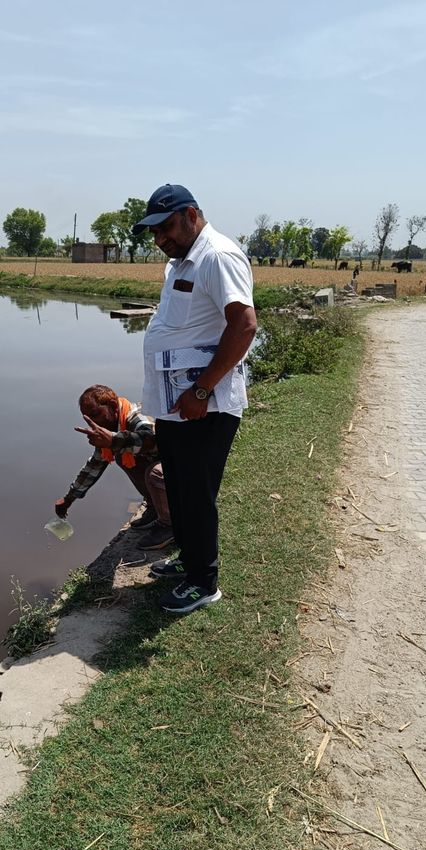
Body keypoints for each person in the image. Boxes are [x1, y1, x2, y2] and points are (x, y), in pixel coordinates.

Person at [131, 184, 257, 613]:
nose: (159, 238)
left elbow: (243, 326)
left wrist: (202, 389)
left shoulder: (217, 256)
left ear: (191, 215)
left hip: (206, 403)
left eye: (166, 227)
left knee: (197, 492)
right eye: (153, 231)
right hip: (178, 402)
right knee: (181, 486)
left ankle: (204, 582)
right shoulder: (182, 261)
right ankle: (188, 558)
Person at [55, 384, 173, 551]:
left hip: (184, 465)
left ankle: (170, 525)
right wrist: (68, 499)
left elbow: (149, 440)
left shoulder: (137, 416)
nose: (93, 423)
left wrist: (113, 440)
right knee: (121, 456)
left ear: (112, 406)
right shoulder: (111, 429)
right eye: (87, 418)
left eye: (95, 415)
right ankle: (155, 507)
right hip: (164, 467)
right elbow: (94, 466)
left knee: (155, 473)